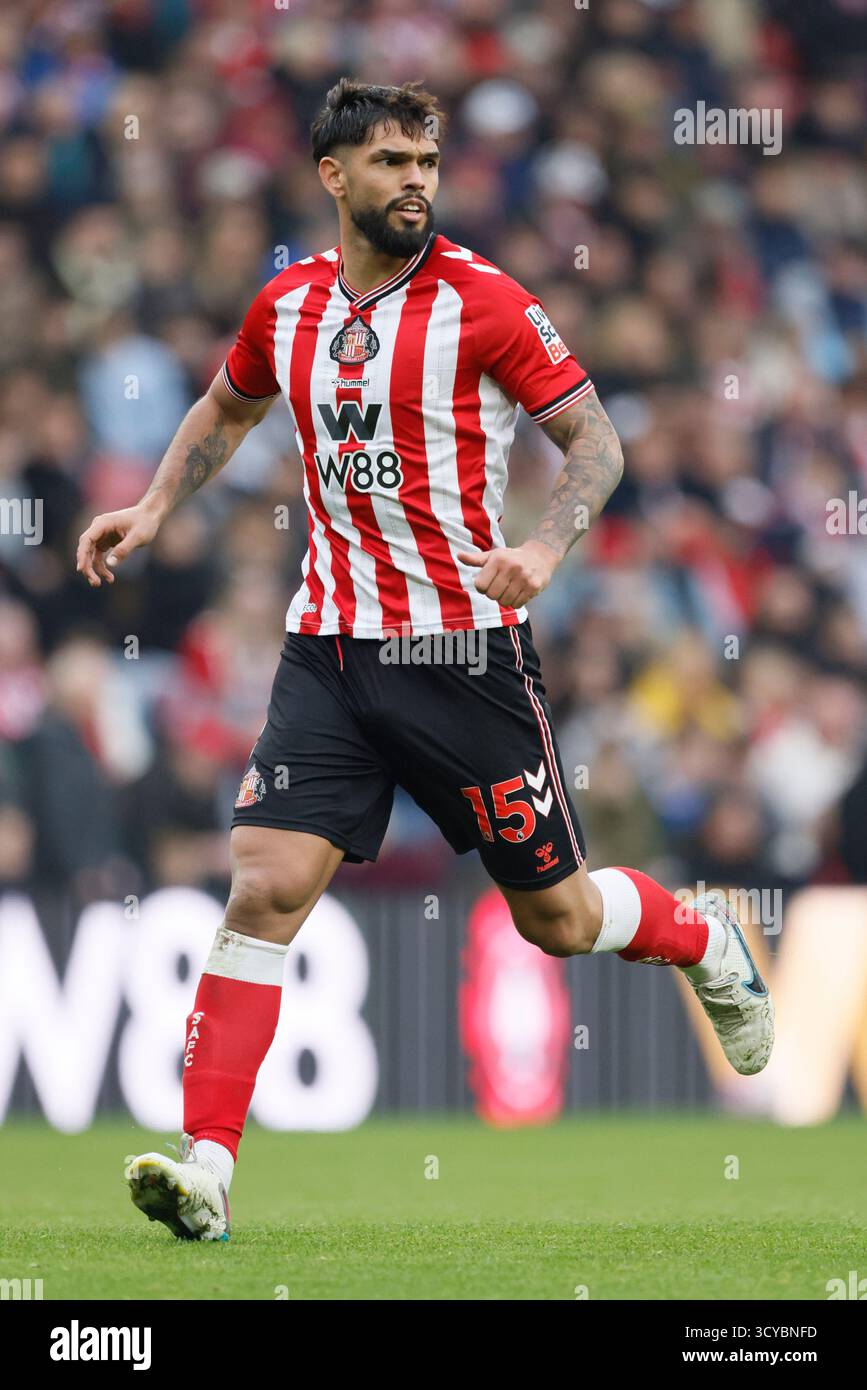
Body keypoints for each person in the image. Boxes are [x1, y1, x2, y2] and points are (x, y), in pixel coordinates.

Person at [76, 80, 773, 1242]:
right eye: (392, 160)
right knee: (263, 883)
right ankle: (209, 1169)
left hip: (461, 652)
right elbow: (227, 407)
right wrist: (151, 506)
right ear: (333, 176)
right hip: (330, 650)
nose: (416, 180)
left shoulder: (484, 301)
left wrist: (546, 545)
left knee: (552, 915)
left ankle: (704, 937)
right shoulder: (286, 306)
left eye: (428, 161)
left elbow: (595, 436)